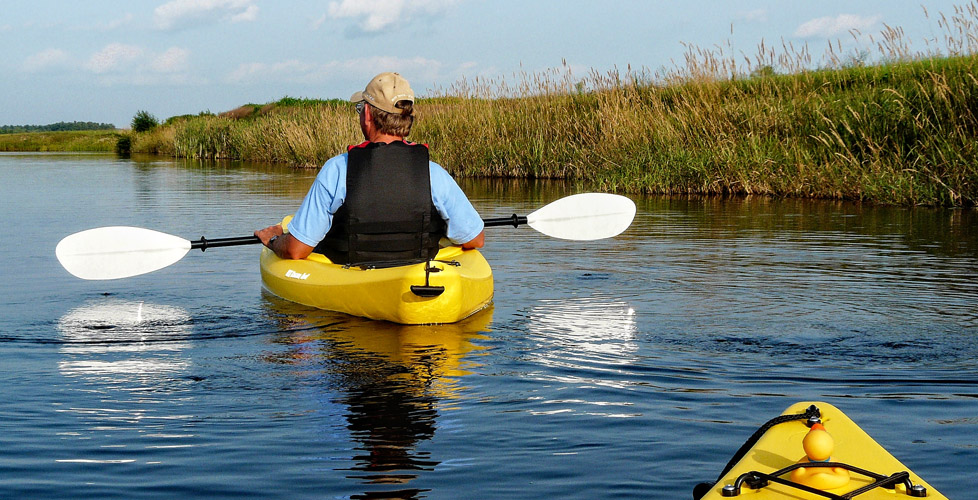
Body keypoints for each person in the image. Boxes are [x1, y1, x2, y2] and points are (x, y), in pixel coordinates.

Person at [255, 72, 485, 265]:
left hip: (354, 281)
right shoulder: (433, 173)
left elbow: (296, 250)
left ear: (367, 115)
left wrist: (274, 240)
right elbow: (475, 239)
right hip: (417, 274)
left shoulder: (337, 170)